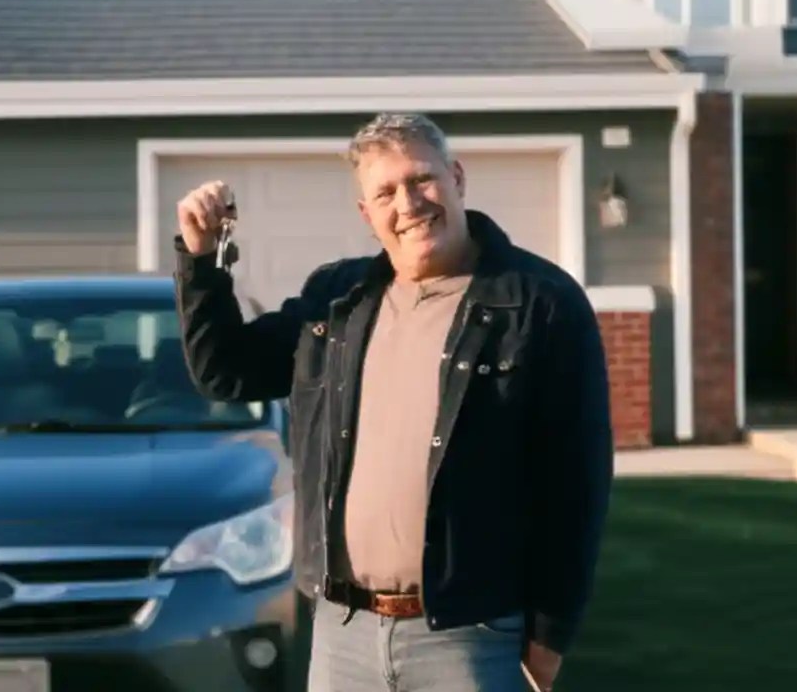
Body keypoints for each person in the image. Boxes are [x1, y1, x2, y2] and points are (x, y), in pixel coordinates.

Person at [171, 112, 613, 692]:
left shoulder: (540, 304)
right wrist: (203, 261)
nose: (408, 203)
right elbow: (225, 373)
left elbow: (577, 484)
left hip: (469, 634)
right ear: (366, 213)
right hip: (343, 631)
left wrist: (550, 636)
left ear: (456, 177)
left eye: (421, 179)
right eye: (385, 192)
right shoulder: (336, 301)